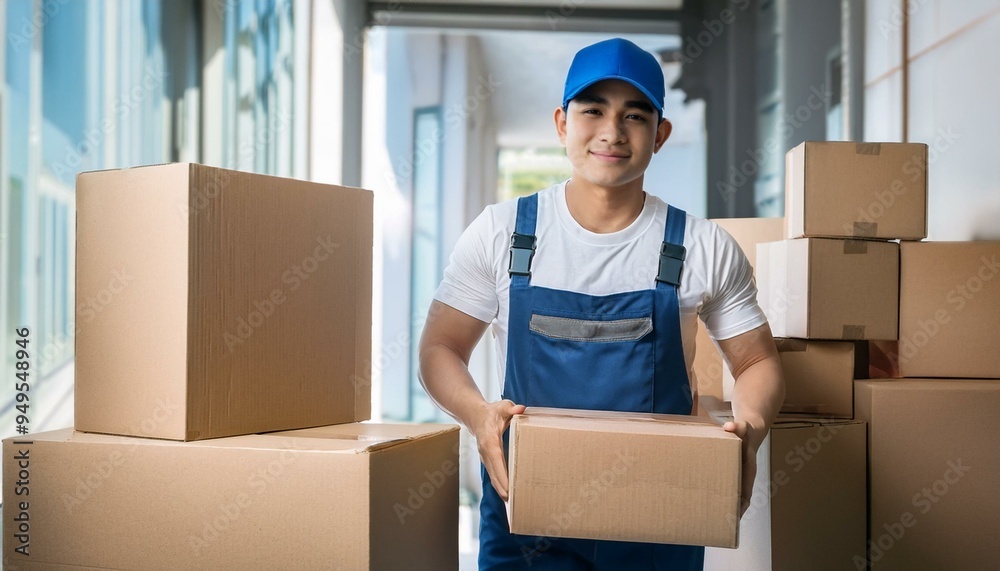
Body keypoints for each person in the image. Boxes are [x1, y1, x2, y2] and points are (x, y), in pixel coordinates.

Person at [418, 37, 784, 571]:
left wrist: (749, 428)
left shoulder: (701, 246)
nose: (612, 132)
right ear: (563, 123)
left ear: (660, 134)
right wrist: (478, 416)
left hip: (659, 513)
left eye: (634, 115)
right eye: (593, 110)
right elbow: (439, 348)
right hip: (527, 514)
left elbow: (756, 360)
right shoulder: (503, 233)